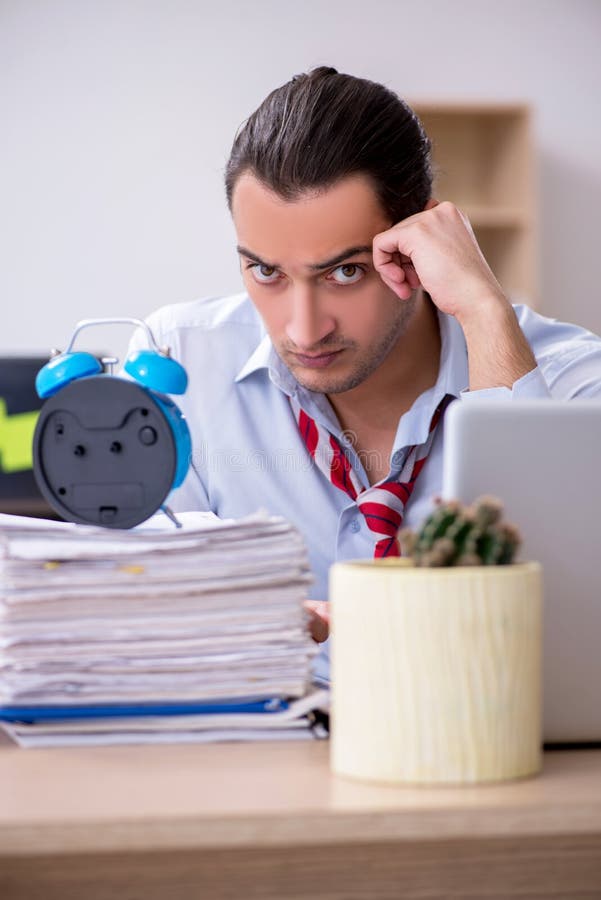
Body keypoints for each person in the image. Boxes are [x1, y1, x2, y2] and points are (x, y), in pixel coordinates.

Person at [132, 66, 601, 684]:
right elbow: (140, 610)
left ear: (419, 242)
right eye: (267, 272)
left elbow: (561, 632)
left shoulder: (574, 389)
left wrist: (485, 311)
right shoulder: (178, 362)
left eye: (346, 272)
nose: (303, 331)